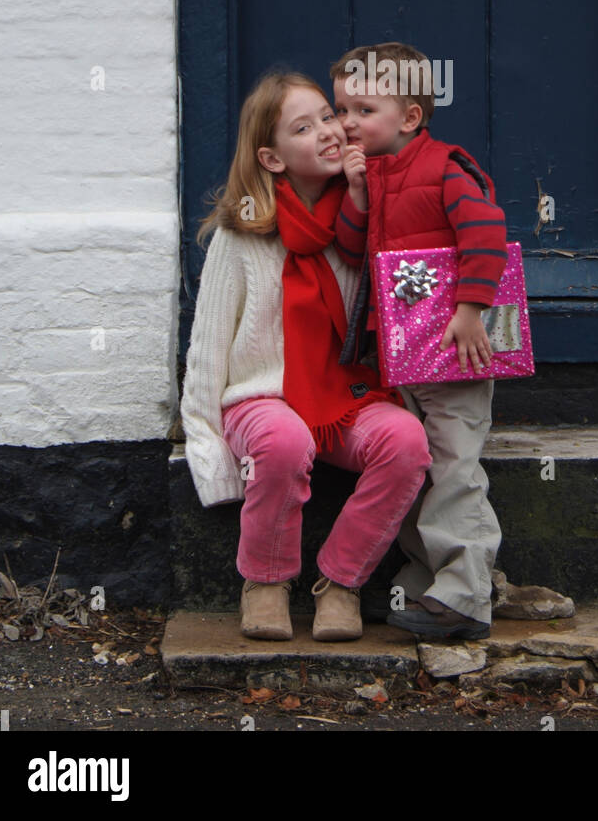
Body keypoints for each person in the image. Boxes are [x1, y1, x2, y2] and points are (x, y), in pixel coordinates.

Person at [180, 70, 431, 643]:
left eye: (327, 115)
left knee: (407, 441)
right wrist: (209, 455)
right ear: (271, 158)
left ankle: (341, 582)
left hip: (343, 395)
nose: (328, 131)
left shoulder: (365, 217)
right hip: (263, 400)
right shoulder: (240, 235)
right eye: (303, 126)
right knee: (284, 439)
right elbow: (207, 353)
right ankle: (265, 581)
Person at [331, 41, 508, 641]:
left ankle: (465, 596)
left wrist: (471, 309)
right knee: (418, 467)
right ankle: (430, 580)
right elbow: (355, 250)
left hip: (455, 351)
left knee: (456, 467)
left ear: (409, 117)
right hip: (400, 355)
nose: (347, 124)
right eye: (341, 111)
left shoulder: (444, 167)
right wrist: (356, 196)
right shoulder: (373, 176)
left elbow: (485, 233)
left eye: (363, 110)